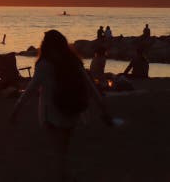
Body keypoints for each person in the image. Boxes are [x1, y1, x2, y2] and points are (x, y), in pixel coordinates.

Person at [10, 30, 112, 182]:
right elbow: (90, 85)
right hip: (72, 111)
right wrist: (102, 108)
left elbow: (31, 88)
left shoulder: (44, 64)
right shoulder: (74, 61)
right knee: (63, 147)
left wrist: (16, 109)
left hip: (50, 113)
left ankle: (62, 176)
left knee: (58, 149)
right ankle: (64, 175)